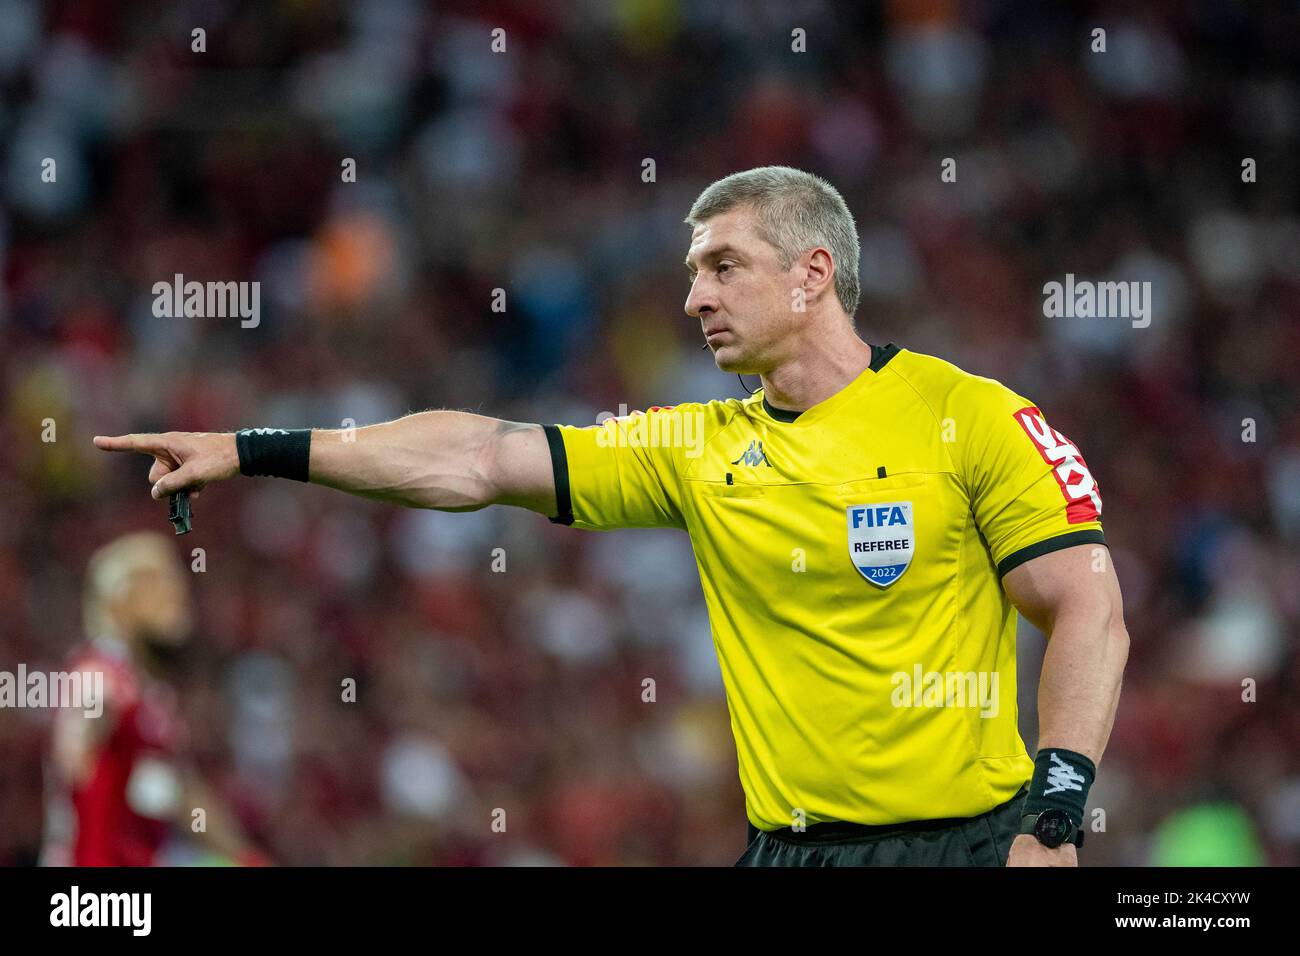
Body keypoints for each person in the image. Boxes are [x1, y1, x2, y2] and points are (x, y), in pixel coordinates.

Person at [94, 166, 1129, 866]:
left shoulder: (970, 414)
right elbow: (476, 455)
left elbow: (1086, 606)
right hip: (791, 848)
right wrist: (252, 449)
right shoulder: (695, 448)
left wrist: (1056, 809)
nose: (695, 298)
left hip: (973, 843)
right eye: (691, 273)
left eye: (723, 266)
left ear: (813, 274)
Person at [41, 531, 266, 866]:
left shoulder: (151, 691)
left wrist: (245, 857)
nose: (178, 593)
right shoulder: (99, 673)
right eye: (160, 581)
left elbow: (183, 792)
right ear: (122, 597)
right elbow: (76, 747)